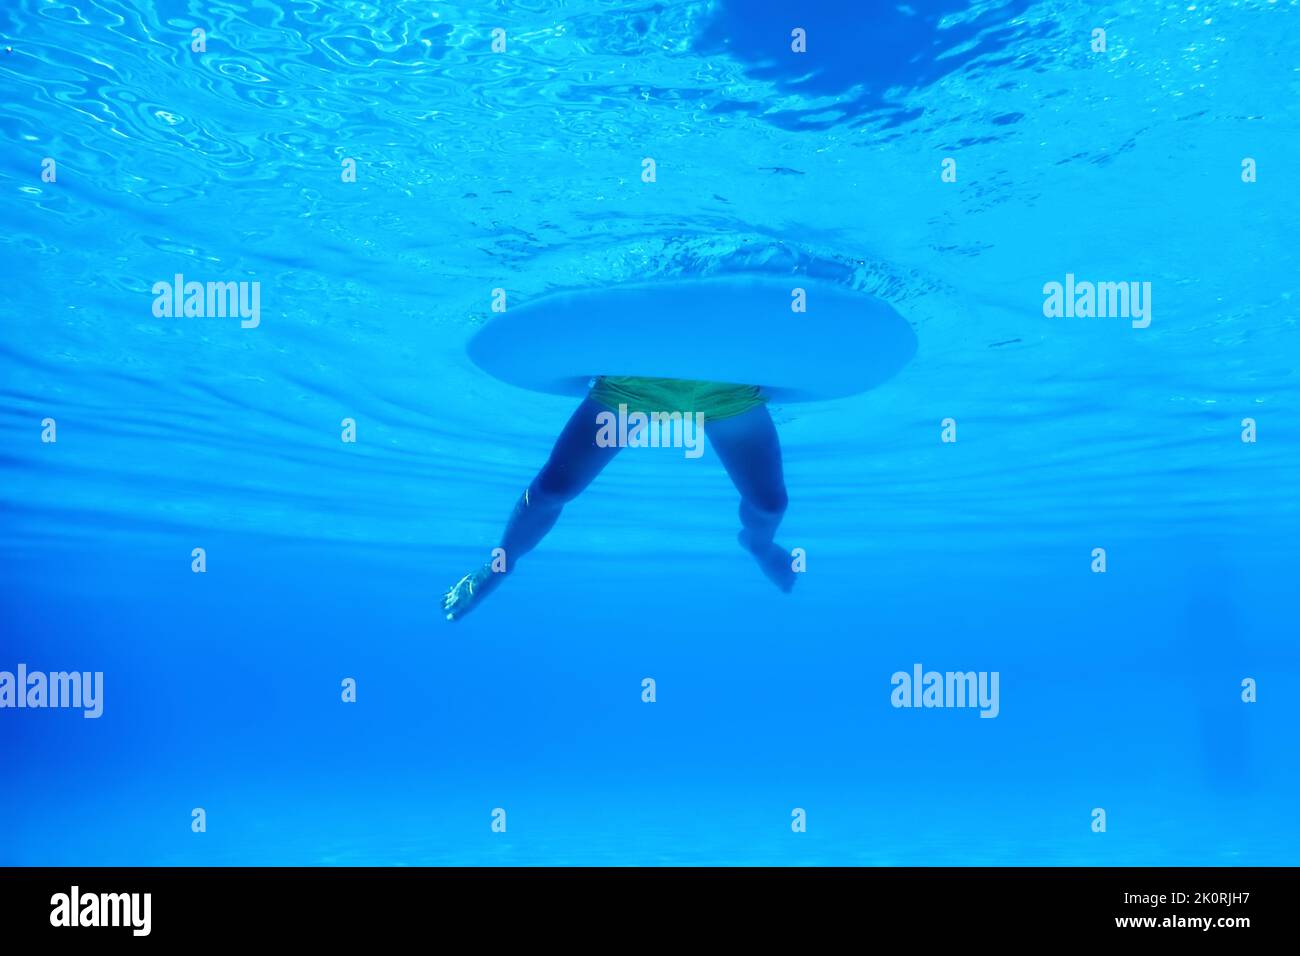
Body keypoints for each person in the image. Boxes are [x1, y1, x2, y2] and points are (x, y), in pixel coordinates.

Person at [443, 375, 794, 621]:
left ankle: (759, 545)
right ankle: (500, 566)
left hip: (727, 394)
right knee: (553, 488)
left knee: (770, 505)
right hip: (632, 388)